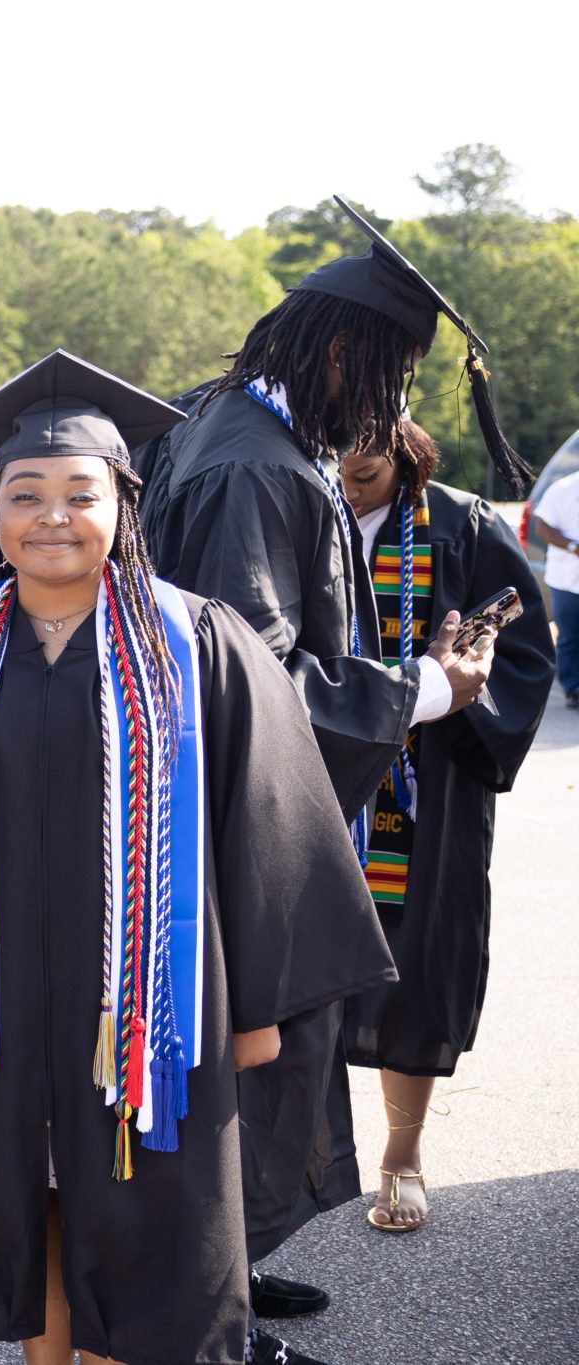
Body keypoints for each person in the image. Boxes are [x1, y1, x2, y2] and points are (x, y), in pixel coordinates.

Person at [0, 350, 393, 1365]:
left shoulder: (200, 646)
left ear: (124, 505)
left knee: (146, 1235)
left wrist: (253, 1011)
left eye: (80, 493)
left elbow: (272, 825)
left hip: (157, 1012)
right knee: (30, 1207)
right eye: (24, 494)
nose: (50, 516)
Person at [137, 198, 515, 1362]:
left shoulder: (226, 426)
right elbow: (253, 683)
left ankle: (226, 1277)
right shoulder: (255, 471)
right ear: (342, 351)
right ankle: (200, 1319)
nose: (393, 410)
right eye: (392, 377)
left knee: (245, 1066)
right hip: (233, 832)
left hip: (228, 819)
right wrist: (424, 692)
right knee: (242, 1065)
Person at [337, 419, 554, 1231]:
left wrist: (461, 685)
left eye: (365, 472)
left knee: (418, 964)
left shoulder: (461, 528)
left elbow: (525, 651)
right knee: (282, 968)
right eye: (338, 466)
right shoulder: (289, 509)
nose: (349, 483)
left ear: (402, 452)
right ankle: (282, 1168)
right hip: (311, 772)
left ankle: (402, 1152)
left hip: (425, 786)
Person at [533, 469, 579, 707]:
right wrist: (573, 546)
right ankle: (573, 690)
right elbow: (543, 528)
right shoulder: (564, 488)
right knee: (570, 636)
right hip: (566, 580)